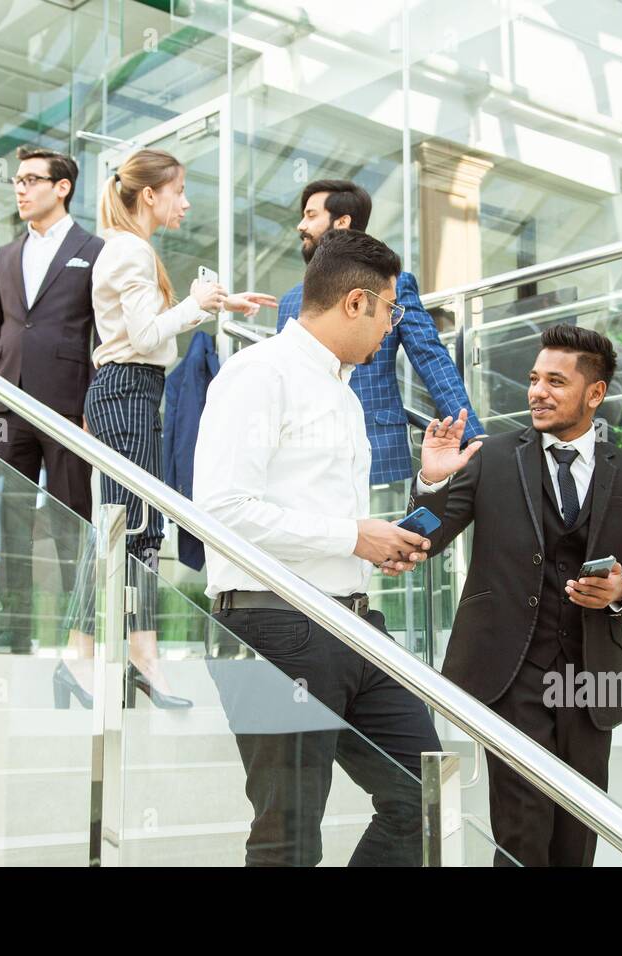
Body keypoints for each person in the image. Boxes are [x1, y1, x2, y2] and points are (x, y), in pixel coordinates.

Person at [194, 229, 440, 866]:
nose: (393, 327)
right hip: (270, 626)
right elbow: (220, 511)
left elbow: (326, 514)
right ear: (356, 302)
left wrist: (383, 531)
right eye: (391, 310)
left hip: (354, 622)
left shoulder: (343, 389)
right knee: (289, 834)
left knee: (425, 797)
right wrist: (353, 535)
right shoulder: (257, 375)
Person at [410, 323, 622, 866]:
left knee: (579, 831)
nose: (536, 392)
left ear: (594, 394)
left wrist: (621, 589)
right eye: (533, 379)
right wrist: (433, 480)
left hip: (590, 677)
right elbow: (423, 538)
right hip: (510, 671)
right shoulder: (492, 456)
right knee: (523, 827)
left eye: (555, 380)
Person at [89, 147, 274, 707]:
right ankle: (136, 658)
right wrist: (196, 302)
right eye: (179, 191)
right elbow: (146, 337)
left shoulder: (131, 250)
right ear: (150, 194)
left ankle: (128, 657)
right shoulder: (130, 252)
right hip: (128, 388)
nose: (186, 203)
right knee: (132, 527)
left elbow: (146, 327)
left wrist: (217, 304)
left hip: (133, 391)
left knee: (132, 525)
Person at [0, 146, 103, 655]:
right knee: (11, 523)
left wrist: (94, 409)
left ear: (62, 188)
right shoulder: (6, 254)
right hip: (5, 405)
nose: (20, 188)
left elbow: (102, 336)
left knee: (70, 522)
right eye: (17, 180)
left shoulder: (94, 249)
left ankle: (77, 637)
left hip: (67, 407)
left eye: (32, 180)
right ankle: (13, 631)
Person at [276, 179, 483, 486]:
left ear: (342, 222)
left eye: (310, 214)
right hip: (308, 459)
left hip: (379, 455)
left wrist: (473, 436)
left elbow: (429, 356)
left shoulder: (396, 284)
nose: (300, 225)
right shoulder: (291, 300)